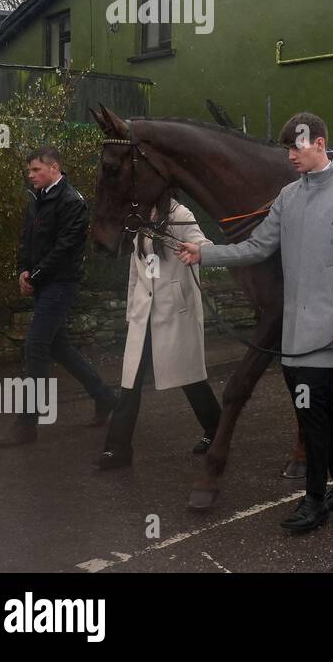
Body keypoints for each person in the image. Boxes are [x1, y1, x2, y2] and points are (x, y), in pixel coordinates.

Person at [177, 113, 333, 534]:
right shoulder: (288, 196)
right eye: (287, 148)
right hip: (293, 329)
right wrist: (205, 254)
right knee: (321, 408)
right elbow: (256, 247)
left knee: (312, 411)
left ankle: (314, 501)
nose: (291, 156)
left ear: (321, 144)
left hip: (331, 326)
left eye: (298, 147)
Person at [0, 147, 117, 448]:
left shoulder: (72, 202)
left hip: (60, 283)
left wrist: (34, 278)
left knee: (35, 345)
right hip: (42, 282)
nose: (30, 174)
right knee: (58, 346)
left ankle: (26, 425)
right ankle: (106, 398)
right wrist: (23, 269)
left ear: (54, 168)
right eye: (30, 170)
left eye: (35, 169)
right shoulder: (38, 197)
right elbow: (27, 239)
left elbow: (65, 250)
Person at [96, 194, 222, 471]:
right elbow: (135, 268)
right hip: (145, 314)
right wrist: (132, 312)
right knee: (131, 381)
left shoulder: (178, 213)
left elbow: (202, 244)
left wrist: (199, 251)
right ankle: (118, 449)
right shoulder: (138, 216)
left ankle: (217, 430)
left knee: (190, 378)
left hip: (174, 311)